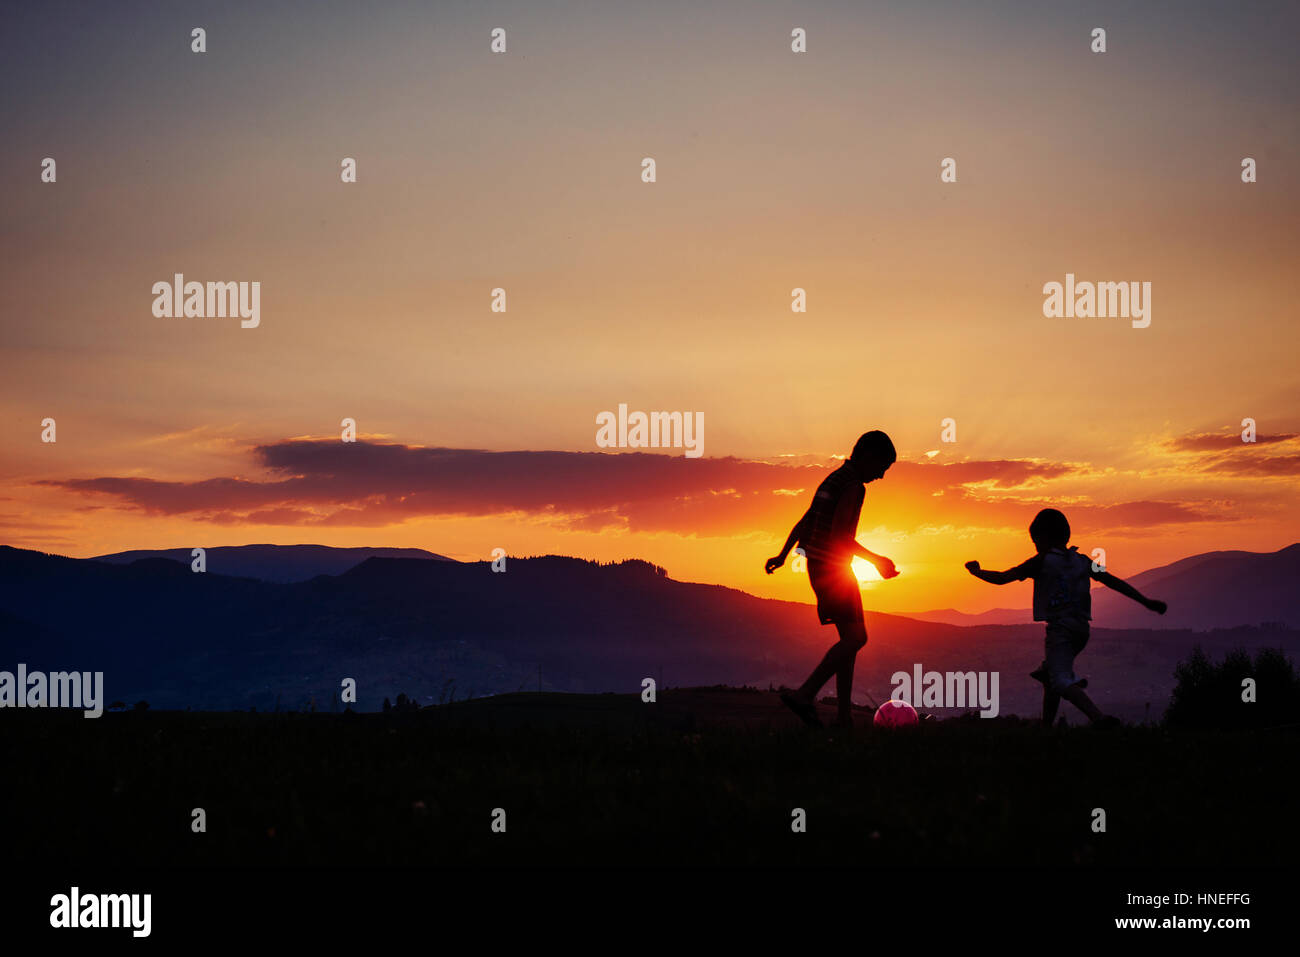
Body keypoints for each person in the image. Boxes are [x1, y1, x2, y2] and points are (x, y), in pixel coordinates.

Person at [964, 507, 1167, 727]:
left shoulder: (1041, 561)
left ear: (1043, 538)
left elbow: (1003, 578)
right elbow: (1113, 581)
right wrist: (1146, 602)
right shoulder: (1081, 560)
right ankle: (1046, 727)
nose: (1035, 546)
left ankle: (1099, 719)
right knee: (1049, 674)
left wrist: (977, 572)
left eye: (1035, 541)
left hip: (1060, 630)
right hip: (1082, 630)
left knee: (1059, 680)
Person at [765, 431, 899, 728]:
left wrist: (783, 555)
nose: (881, 476)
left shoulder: (833, 479)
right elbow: (840, 537)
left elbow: (806, 520)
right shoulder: (853, 486)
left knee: (848, 640)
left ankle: (843, 717)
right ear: (868, 456)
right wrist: (878, 561)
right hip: (834, 569)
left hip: (817, 567)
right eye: (882, 467)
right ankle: (805, 695)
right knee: (857, 638)